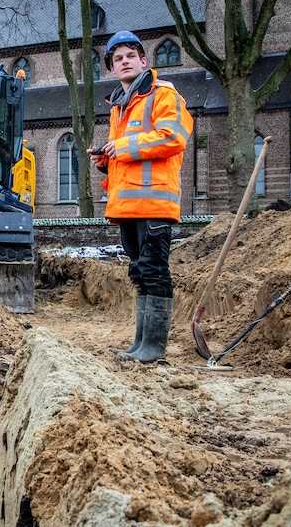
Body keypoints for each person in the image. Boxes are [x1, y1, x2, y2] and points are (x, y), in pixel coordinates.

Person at [89, 31, 193, 363]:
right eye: (117, 59)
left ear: (143, 61)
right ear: (111, 68)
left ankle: (154, 347)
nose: (124, 62)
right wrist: (108, 162)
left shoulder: (162, 94)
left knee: (154, 270)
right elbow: (133, 156)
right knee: (139, 271)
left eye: (130, 56)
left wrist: (121, 147)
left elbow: (173, 138)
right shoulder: (119, 106)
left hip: (155, 203)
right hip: (129, 206)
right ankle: (141, 343)